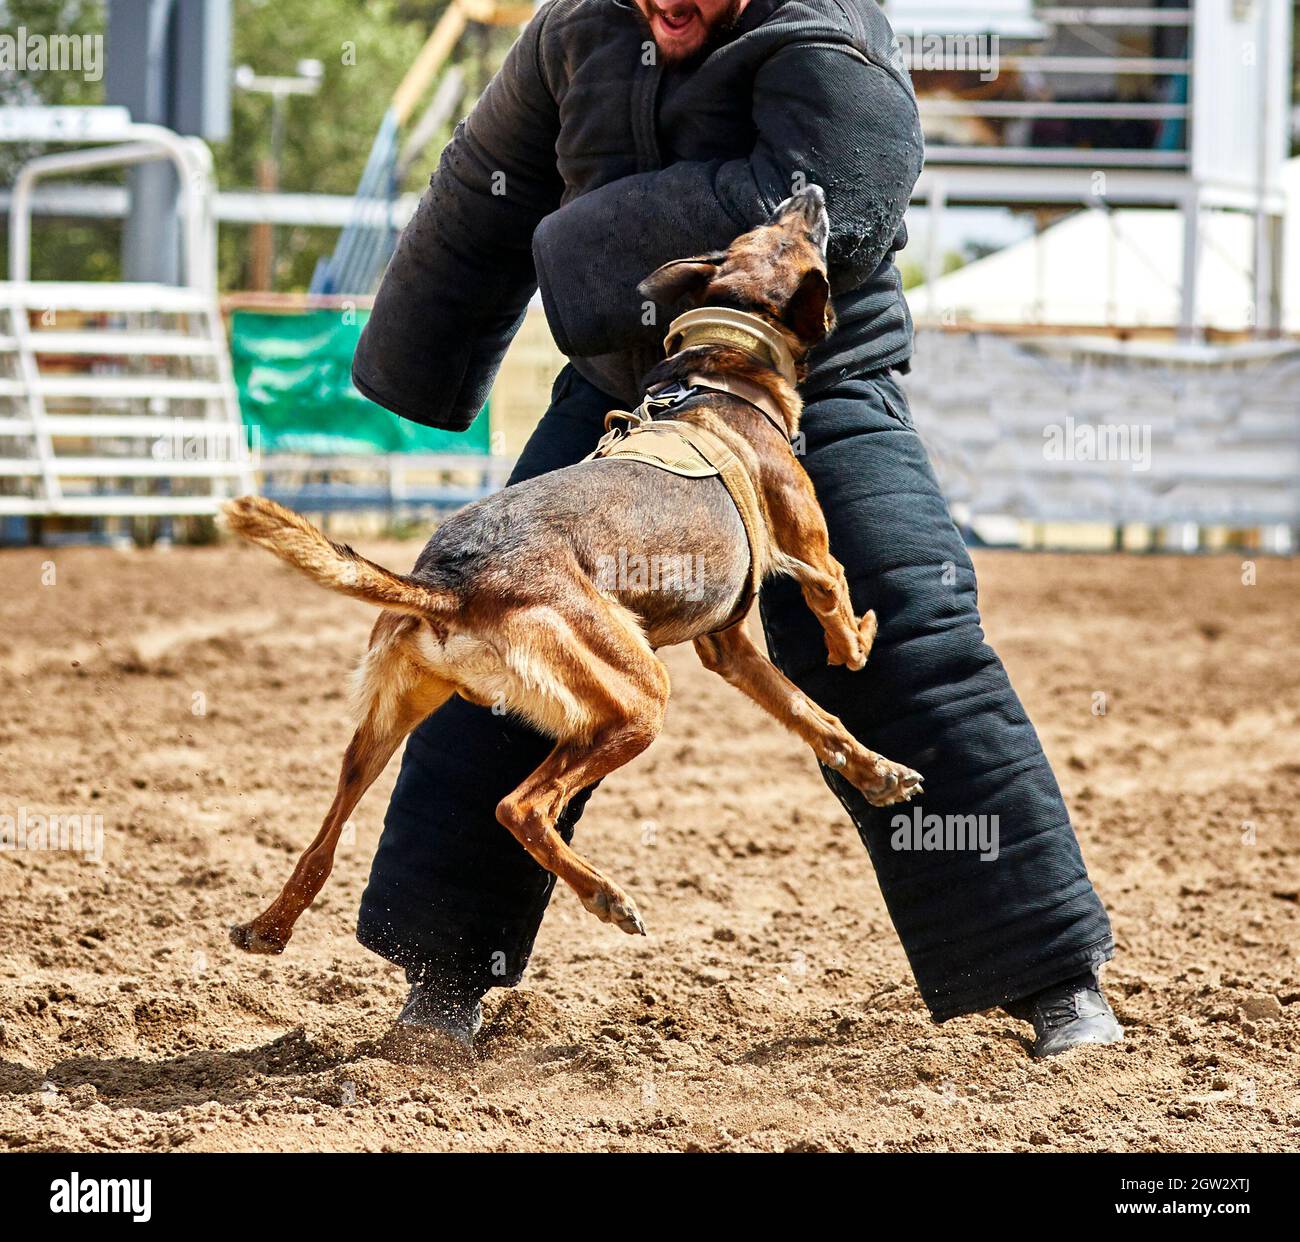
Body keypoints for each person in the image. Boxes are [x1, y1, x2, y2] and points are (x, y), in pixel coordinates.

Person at [350, 0, 1121, 1059]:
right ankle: (446, 975)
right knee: (500, 622)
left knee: (905, 643)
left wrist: (577, 245)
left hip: (803, 396)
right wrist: (414, 366)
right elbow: (492, 182)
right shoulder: (575, 28)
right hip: (633, 398)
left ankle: (1050, 981)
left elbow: (835, 196)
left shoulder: (828, 32)